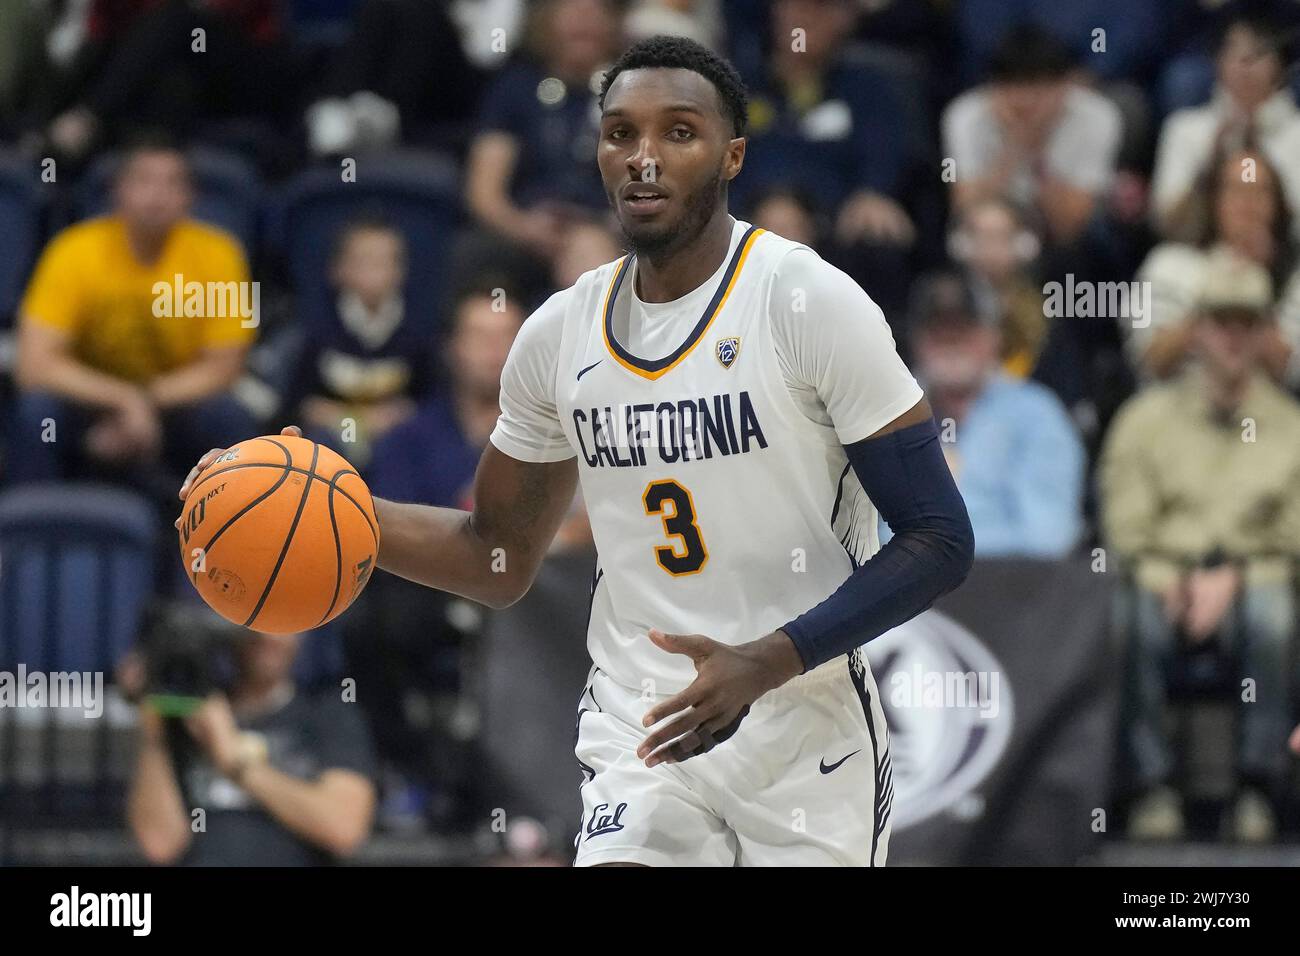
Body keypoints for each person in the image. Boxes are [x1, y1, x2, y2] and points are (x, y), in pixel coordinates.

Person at [180, 35, 974, 867]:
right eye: (620, 133)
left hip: (805, 727)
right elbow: (497, 556)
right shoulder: (559, 334)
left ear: (732, 154)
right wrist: (331, 511)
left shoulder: (806, 301)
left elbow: (938, 540)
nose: (643, 158)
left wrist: (766, 660)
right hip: (643, 728)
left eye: (678, 133)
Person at [1100, 255, 1300, 843]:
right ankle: (1150, 785)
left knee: (1273, 619)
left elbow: (1294, 533)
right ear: (1197, 330)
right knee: (1126, 617)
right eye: (1221, 322)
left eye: (1248, 324)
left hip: (1257, 575)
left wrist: (1234, 576)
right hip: (1164, 574)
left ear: (1267, 335)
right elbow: (1124, 524)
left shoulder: (1291, 424)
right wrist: (1172, 579)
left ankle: (1258, 785)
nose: (1234, 338)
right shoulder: (1145, 418)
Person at [9, 138, 258, 490]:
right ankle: (29, 532)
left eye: (172, 184)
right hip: (88, 400)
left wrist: (145, 401)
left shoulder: (220, 253)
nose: (157, 195)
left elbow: (224, 367)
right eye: (144, 181)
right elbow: (33, 366)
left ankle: (233, 530)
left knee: (228, 417)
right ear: (117, 191)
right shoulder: (73, 250)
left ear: (190, 197)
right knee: (37, 412)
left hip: (175, 402)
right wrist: (121, 400)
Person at [126, 628, 378, 866]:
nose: (268, 637)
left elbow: (344, 829)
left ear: (303, 634)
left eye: (280, 625)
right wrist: (155, 733)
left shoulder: (327, 715)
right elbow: (158, 844)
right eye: (254, 626)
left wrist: (237, 764)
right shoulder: (190, 716)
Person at [906, 272, 1083, 558]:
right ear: (916, 340)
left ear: (994, 338)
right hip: (906, 594)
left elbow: (1048, 537)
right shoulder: (887, 419)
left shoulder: (1036, 416)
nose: (951, 339)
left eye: (964, 328)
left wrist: (938, 549)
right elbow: (863, 536)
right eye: (936, 328)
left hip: (1012, 591)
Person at [942, 25, 1122, 247]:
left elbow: (1070, 228)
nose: (1024, 101)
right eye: (1012, 86)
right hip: (990, 237)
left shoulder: (1098, 117)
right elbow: (963, 214)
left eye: (1037, 87)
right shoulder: (965, 115)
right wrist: (1013, 148)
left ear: (1065, 85)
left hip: (1063, 242)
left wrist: (1037, 154)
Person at [283, 217, 432, 468]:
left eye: (384, 261)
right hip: (330, 438)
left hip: (394, 441)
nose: (374, 270)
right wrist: (341, 417)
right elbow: (294, 403)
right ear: (338, 269)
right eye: (363, 260)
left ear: (401, 270)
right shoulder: (315, 329)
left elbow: (430, 399)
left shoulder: (420, 331)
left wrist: (400, 415)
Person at [1151, 16, 1300, 243]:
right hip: (1202, 258)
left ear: (1279, 65)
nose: (1246, 64)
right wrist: (1210, 162)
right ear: (1218, 62)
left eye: (1258, 53)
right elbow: (1165, 221)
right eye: (1236, 53)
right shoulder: (1184, 129)